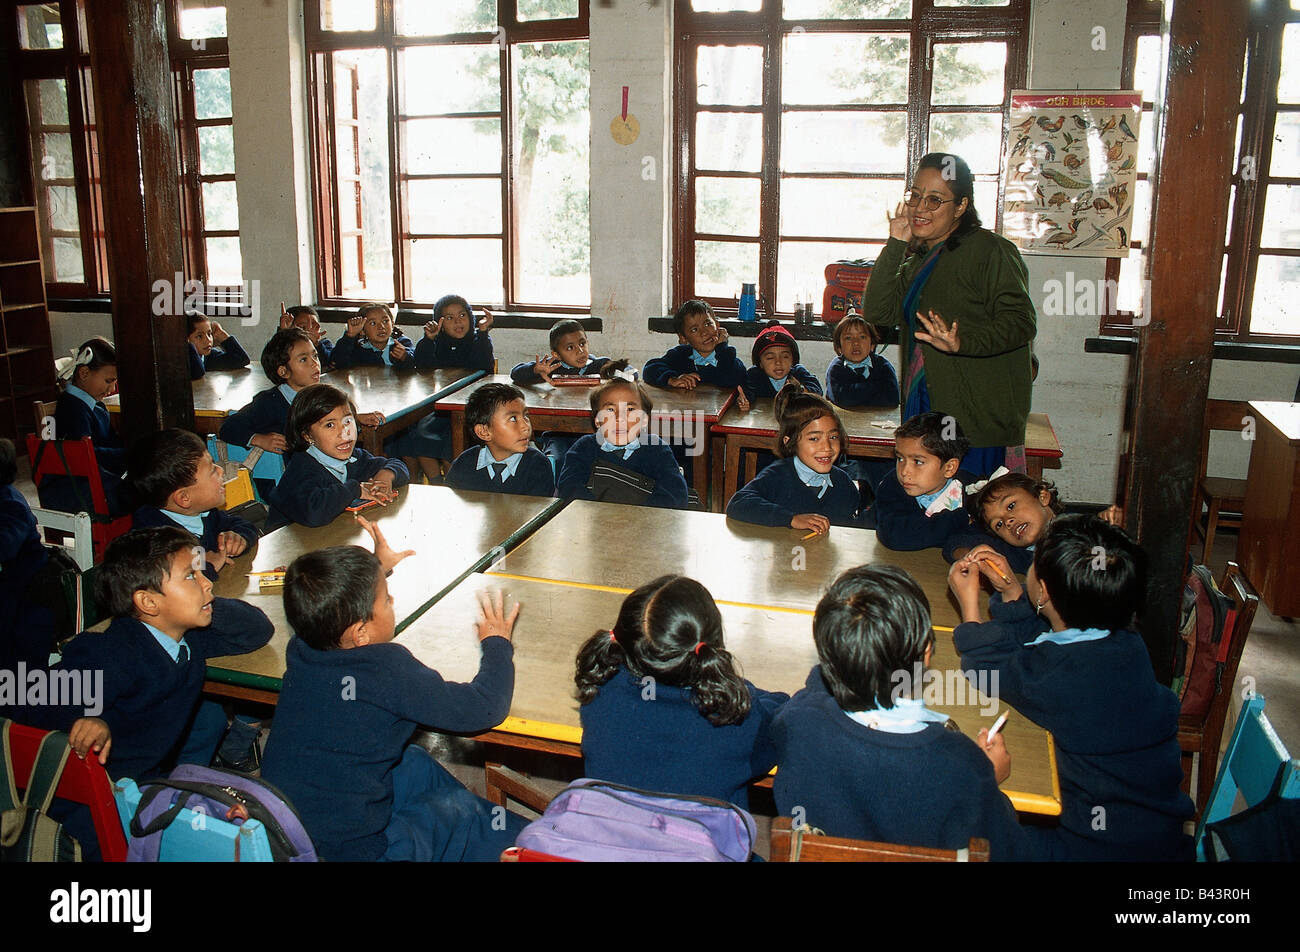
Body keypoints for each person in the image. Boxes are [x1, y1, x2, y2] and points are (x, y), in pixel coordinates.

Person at [260, 519, 526, 861]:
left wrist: (376, 568)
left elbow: (333, 605)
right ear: (360, 633)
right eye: (385, 600)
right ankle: (533, 843)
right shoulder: (384, 668)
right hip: (359, 852)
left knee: (412, 762)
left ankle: (486, 828)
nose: (392, 599)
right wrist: (497, 644)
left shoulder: (303, 647)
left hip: (294, 825)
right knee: (456, 814)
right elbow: (483, 708)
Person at [949, 515, 1194, 861]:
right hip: (1153, 833)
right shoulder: (1126, 643)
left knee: (964, 835)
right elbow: (1044, 640)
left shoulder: (1056, 674)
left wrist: (969, 605)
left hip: (1095, 849)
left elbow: (984, 667)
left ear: (1045, 590)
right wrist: (1012, 591)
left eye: (1033, 564)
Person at [772, 564, 1032, 860]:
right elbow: (1008, 852)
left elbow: (812, 693)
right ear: (927, 652)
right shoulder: (963, 764)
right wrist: (990, 782)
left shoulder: (799, 721)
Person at [20, 525, 273, 783]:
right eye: (190, 576)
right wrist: (87, 720)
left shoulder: (186, 636)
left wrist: (203, 601)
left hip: (150, 774)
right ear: (149, 603)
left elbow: (257, 629)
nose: (207, 582)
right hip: (102, 789)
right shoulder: (110, 653)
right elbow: (39, 705)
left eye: (201, 573)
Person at [861, 152, 1036, 477]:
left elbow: (1020, 322)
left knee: (973, 509)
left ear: (960, 206)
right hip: (926, 406)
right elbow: (878, 311)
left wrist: (962, 342)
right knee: (929, 509)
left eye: (935, 200)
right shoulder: (920, 257)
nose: (920, 208)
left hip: (974, 417)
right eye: (915, 195)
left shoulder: (990, 250)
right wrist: (896, 242)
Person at [575, 575, 787, 809]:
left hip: (606, 840)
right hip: (699, 845)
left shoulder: (601, 692)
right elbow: (782, 715)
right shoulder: (736, 722)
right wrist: (736, 688)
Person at [725, 381, 864, 532]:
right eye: (814, 439)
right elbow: (738, 504)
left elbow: (850, 529)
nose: (827, 447)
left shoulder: (844, 484)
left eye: (834, 437)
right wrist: (791, 519)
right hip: (786, 554)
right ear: (789, 441)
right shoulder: (778, 475)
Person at [267, 384, 409, 529]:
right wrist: (355, 490)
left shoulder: (355, 458)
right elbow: (314, 513)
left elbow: (398, 466)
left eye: (347, 421)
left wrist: (385, 476)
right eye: (330, 425)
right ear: (307, 436)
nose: (344, 432)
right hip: (288, 543)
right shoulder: (300, 470)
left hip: (329, 536)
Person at [128, 428, 258, 583]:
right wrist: (205, 566)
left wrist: (239, 537)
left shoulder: (205, 514)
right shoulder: (154, 539)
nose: (221, 470)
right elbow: (168, 584)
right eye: (212, 470)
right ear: (184, 498)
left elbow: (243, 525)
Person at [394, 295, 497, 483]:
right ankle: (435, 482)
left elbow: (485, 366)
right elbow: (422, 367)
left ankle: (452, 483)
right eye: (449, 318)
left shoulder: (478, 340)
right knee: (418, 434)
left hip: (470, 410)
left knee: (451, 441)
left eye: (462, 315)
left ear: (471, 318)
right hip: (439, 409)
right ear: (439, 322)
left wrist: (483, 332)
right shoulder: (436, 342)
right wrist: (428, 339)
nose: (458, 321)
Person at [557, 363, 688, 509]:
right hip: (596, 520)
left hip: (645, 523)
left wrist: (639, 517)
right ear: (598, 421)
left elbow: (675, 494)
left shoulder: (657, 449)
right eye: (611, 410)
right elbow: (569, 487)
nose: (620, 418)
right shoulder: (584, 447)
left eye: (630, 409)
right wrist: (596, 513)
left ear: (644, 420)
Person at [39, 337, 127, 515]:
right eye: (109, 381)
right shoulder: (72, 409)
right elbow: (85, 456)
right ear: (84, 373)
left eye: (115, 382)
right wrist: (127, 455)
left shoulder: (96, 406)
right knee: (144, 493)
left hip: (91, 479)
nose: (112, 389)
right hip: (73, 489)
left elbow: (111, 443)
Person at [874, 411, 977, 551]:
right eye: (900, 458)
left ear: (949, 468)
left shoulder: (973, 490)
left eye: (918, 461)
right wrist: (961, 518)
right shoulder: (891, 487)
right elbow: (896, 536)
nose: (904, 471)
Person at [444, 383, 555, 497]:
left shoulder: (537, 466)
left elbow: (538, 512)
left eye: (525, 416)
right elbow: (453, 508)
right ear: (484, 432)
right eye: (513, 419)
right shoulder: (464, 464)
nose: (526, 426)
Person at [643, 300, 748, 392]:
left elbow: (737, 379)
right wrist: (672, 379)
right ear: (683, 338)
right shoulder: (680, 355)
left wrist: (722, 347)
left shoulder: (726, 358)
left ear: (717, 325)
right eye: (694, 329)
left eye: (708, 324)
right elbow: (650, 368)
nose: (704, 333)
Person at [824, 313, 899, 409]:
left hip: (879, 420)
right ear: (839, 348)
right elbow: (843, 399)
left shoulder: (883, 366)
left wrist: (854, 392)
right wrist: (876, 388)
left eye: (862, 337)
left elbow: (892, 399)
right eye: (848, 338)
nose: (856, 343)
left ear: (872, 345)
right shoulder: (836, 368)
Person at [741, 321, 821, 403]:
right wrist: (744, 400)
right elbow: (745, 392)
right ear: (760, 363)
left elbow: (817, 391)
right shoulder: (754, 375)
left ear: (793, 360)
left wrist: (801, 390)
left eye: (785, 357)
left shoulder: (798, 372)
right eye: (770, 358)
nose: (778, 362)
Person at [510, 319, 610, 384]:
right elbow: (515, 374)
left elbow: (622, 370)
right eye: (570, 347)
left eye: (582, 344)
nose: (580, 351)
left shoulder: (596, 364)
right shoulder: (551, 367)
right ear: (556, 354)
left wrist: (614, 369)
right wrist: (535, 370)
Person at [330, 303, 415, 370]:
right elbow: (338, 363)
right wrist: (349, 336)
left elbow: (416, 364)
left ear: (392, 324)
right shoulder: (359, 348)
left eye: (385, 321)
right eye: (373, 323)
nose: (381, 327)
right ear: (362, 330)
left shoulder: (402, 343)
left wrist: (405, 357)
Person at [187, 312, 250, 379]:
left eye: (209, 334)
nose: (208, 340)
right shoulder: (183, 360)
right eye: (199, 336)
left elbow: (242, 359)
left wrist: (222, 335)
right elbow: (198, 372)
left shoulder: (208, 356)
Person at [280, 303, 334, 368]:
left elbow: (331, 362)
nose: (308, 332)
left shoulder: (326, 344)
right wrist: (284, 333)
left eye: (314, 325)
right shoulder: (287, 346)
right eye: (302, 328)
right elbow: (277, 360)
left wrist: (316, 345)